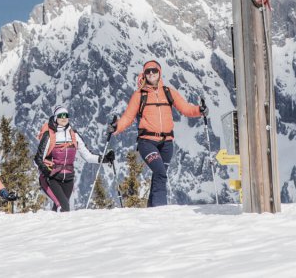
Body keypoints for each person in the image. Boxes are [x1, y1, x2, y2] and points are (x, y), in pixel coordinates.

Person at [108, 59, 207, 207]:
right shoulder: (139, 95)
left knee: (158, 176)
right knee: (160, 173)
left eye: (154, 71)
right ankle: (160, 211)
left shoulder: (168, 92)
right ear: (144, 74)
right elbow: (128, 117)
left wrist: (199, 110)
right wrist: (117, 127)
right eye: (148, 71)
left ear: (159, 73)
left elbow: (185, 108)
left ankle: (151, 210)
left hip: (167, 143)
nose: (152, 73)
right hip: (147, 142)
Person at [34, 105, 115, 212]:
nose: (64, 118)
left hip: (68, 179)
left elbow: (88, 156)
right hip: (52, 179)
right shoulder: (49, 136)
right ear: (55, 118)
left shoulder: (74, 135)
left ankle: (52, 228)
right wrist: (47, 171)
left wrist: (105, 159)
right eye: (61, 115)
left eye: (66, 115)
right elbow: (37, 159)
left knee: (59, 210)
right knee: (64, 207)